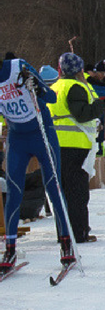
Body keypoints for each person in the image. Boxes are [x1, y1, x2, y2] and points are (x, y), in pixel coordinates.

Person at [0, 54, 73, 272]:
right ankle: (10, 249)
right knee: (13, 191)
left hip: (42, 134)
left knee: (54, 187)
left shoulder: (17, 66)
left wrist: (37, 87)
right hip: (17, 138)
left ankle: (66, 243)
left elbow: (50, 97)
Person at [49, 54, 104, 243]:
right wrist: (99, 106)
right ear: (79, 70)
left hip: (57, 144)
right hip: (75, 144)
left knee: (62, 191)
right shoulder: (75, 87)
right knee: (77, 192)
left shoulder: (56, 87)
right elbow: (81, 115)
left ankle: (64, 232)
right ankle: (79, 232)